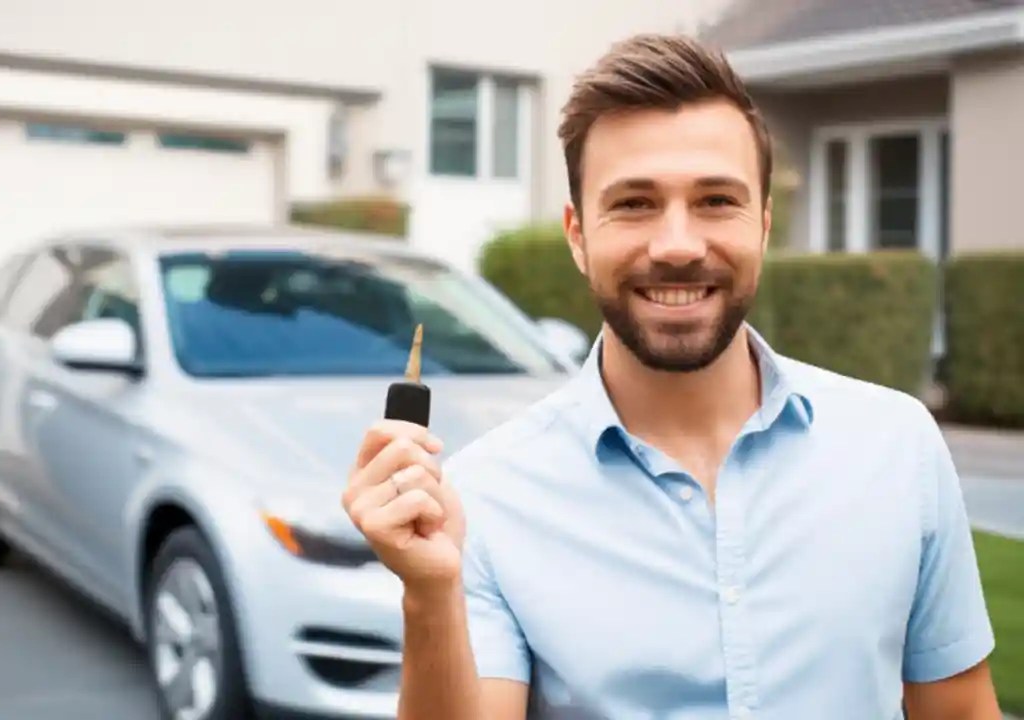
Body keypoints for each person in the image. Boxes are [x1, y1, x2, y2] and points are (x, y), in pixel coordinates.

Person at [341, 33, 1001, 720]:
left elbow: (959, 710)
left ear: (764, 225)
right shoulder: (482, 501)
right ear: (577, 234)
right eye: (634, 203)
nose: (679, 245)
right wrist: (428, 596)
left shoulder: (897, 446)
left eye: (717, 200)